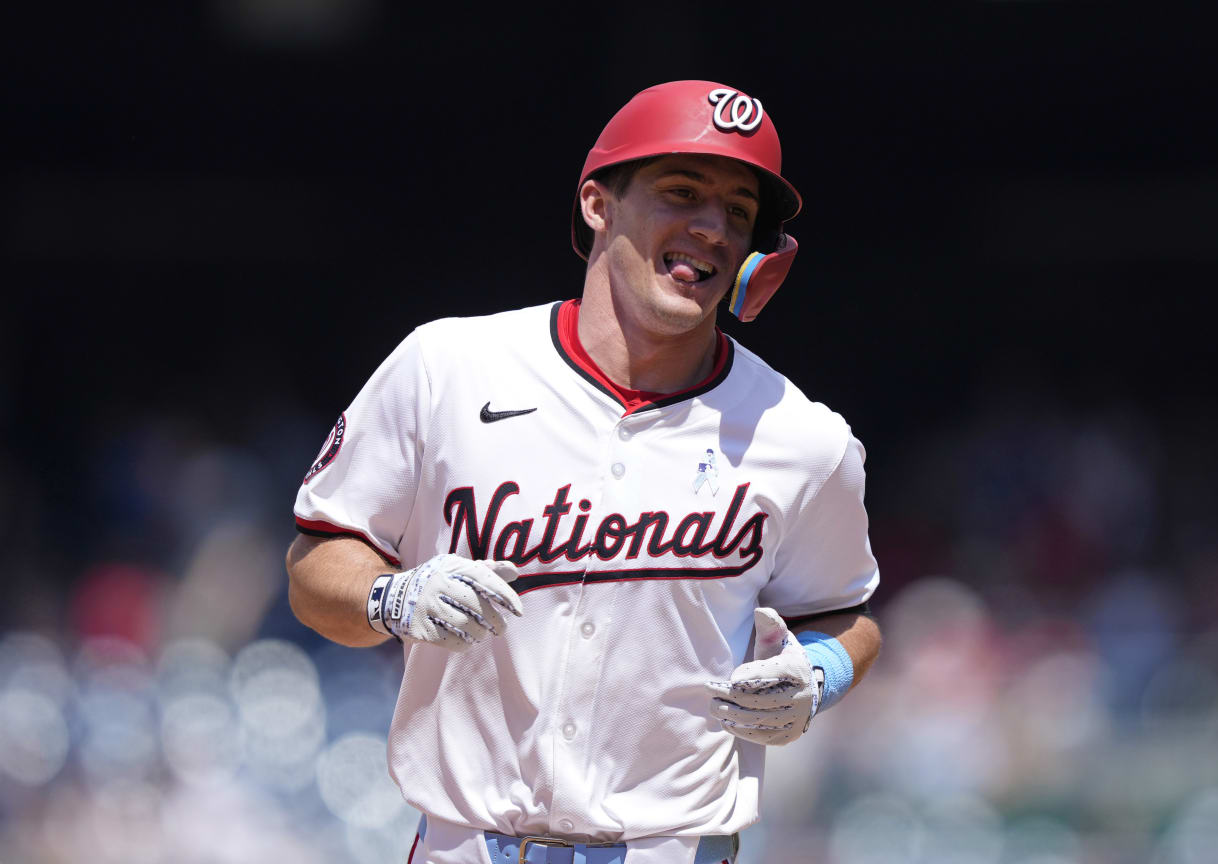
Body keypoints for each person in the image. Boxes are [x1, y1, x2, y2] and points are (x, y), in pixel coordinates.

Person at [285, 80, 882, 864]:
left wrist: (819, 674)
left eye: (738, 212)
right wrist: (390, 595)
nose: (711, 226)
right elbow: (312, 569)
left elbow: (847, 614)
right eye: (682, 191)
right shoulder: (448, 368)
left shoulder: (802, 436)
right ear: (598, 203)